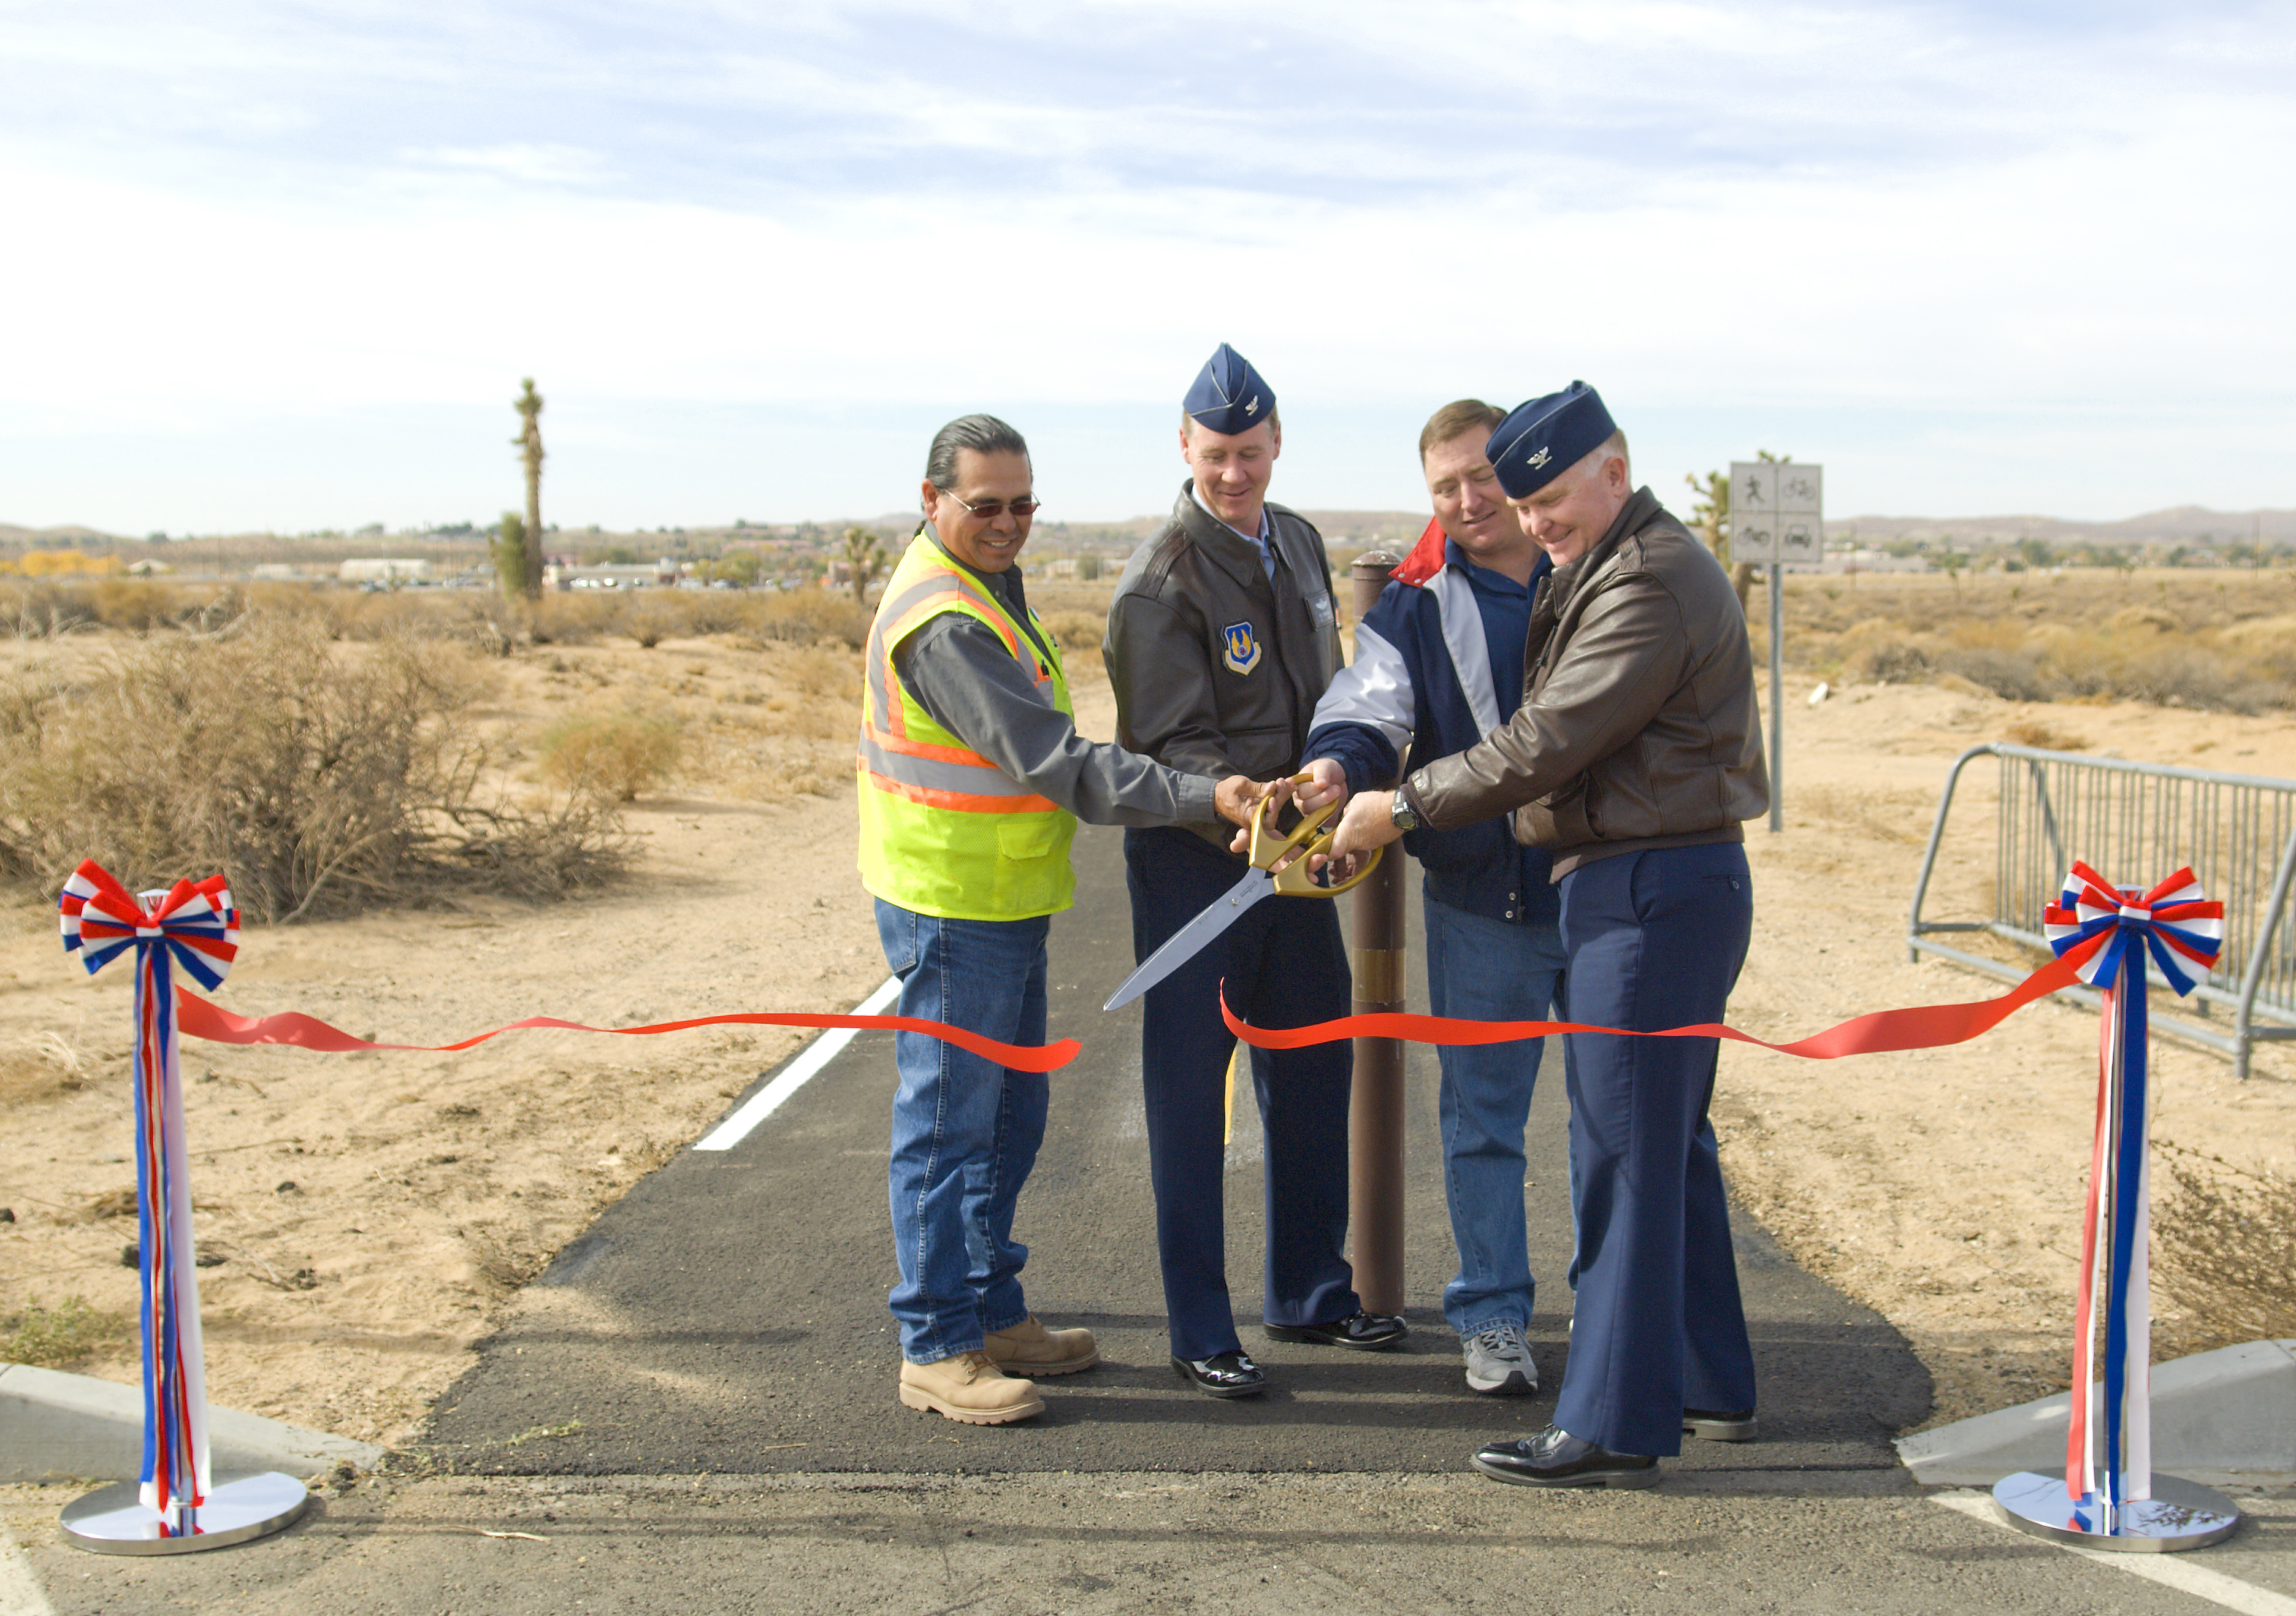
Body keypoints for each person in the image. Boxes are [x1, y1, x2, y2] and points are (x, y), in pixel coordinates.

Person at [1325, 381, 1769, 1487]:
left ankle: (1612, 1422)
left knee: (1624, 1152)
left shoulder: (1647, 580)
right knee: (1662, 1145)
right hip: (1640, 884)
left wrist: (1404, 808)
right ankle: (1707, 1380)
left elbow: (1545, 741)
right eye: (1514, 502)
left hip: (1646, 891)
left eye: (1548, 496)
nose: (1534, 520)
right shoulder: (1608, 565)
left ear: (1614, 471)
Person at [859, 412, 1280, 1426]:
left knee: (1009, 1117)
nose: (1009, 523)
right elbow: (1056, 759)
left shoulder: (983, 589)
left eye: (1022, 504)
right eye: (985, 506)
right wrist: (1199, 794)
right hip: (952, 904)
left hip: (1004, 897)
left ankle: (991, 1310)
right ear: (932, 502)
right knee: (951, 1125)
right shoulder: (945, 621)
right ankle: (936, 1343)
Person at [1104, 343, 1404, 1402]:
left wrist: (1326, 778)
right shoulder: (1160, 583)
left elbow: (1324, 688)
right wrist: (1246, 795)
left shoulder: (1302, 543)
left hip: (1295, 861)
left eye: (1254, 453)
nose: (1237, 472)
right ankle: (1199, 1328)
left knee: (1314, 1062)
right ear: (1186, 447)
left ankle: (1312, 1293)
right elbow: (1170, 747)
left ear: (1278, 446)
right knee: (1191, 1092)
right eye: (1219, 454)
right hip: (1202, 866)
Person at [1299, 398, 1566, 1398]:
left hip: (1607, 899)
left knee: (1622, 1125)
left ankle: (1624, 1310)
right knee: (1483, 1125)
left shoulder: (1590, 573)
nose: (1467, 499)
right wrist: (1333, 774)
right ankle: (1493, 1320)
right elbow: (1367, 713)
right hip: (1481, 904)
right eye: (1444, 487)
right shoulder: (1413, 604)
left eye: (1482, 476)